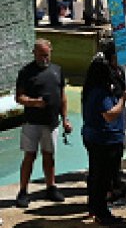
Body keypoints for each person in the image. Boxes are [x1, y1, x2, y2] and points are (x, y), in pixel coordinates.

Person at [82, 45, 126, 226]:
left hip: (96, 137)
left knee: (96, 175)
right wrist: (123, 99)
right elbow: (110, 114)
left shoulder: (91, 89)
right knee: (103, 178)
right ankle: (101, 212)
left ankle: (94, 208)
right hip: (105, 139)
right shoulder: (101, 91)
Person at [14, 39, 69, 208]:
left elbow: (62, 96)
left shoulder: (57, 70)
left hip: (51, 122)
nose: (44, 58)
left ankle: (51, 187)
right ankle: (23, 191)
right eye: (40, 55)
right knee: (29, 156)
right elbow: (19, 97)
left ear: (50, 52)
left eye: (46, 55)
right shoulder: (25, 72)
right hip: (32, 123)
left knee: (49, 155)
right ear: (34, 53)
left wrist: (65, 119)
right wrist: (34, 102)